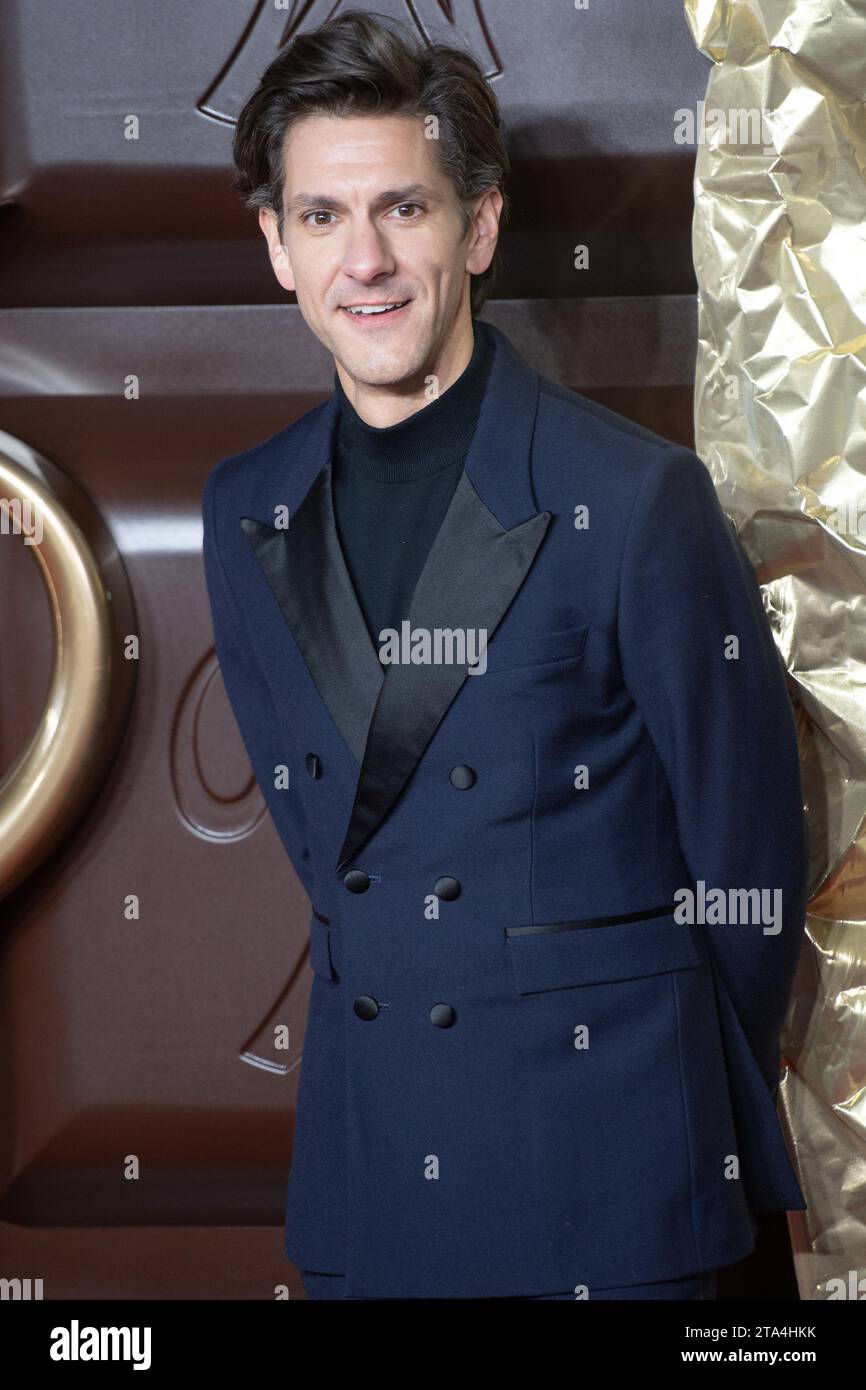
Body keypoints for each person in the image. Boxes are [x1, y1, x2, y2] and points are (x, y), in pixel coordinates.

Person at [201, 9, 809, 1301]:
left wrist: (658, 1087)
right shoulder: (239, 506)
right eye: (320, 217)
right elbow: (334, 851)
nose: (363, 260)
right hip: (375, 1189)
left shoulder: (634, 499)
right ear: (275, 246)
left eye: (402, 211)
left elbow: (747, 872)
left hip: (613, 1181)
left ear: (475, 228)